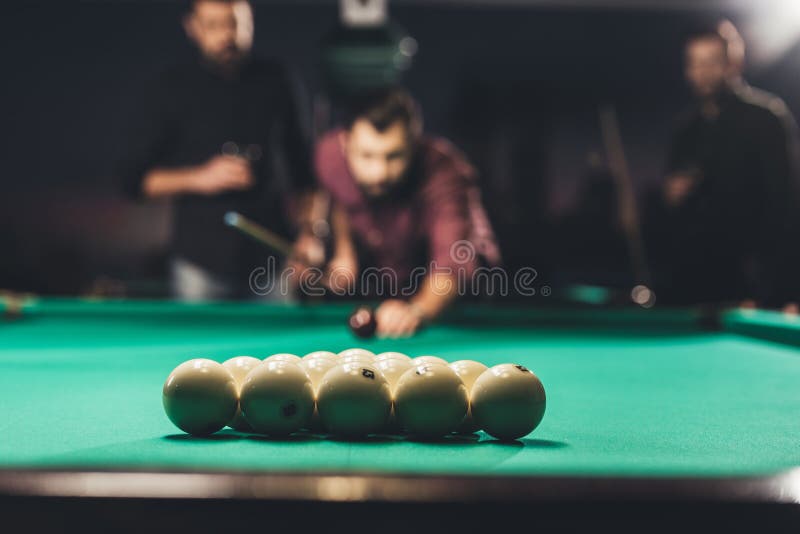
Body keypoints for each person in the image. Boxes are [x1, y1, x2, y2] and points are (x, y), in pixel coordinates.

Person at [117, 0, 315, 300]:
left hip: (271, 263)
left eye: (235, 23)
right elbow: (133, 181)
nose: (227, 35)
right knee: (199, 348)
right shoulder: (172, 87)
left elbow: (306, 175)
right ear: (193, 27)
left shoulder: (278, 80)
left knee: (279, 347)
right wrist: (199, 178)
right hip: (199, 265)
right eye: (213, 25)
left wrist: (310, 234)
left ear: (250, 21)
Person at [307, 88, 500, 338]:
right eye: (367, 155)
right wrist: (345, 252)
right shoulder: (329, 156)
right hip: (384, 289)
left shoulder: (445, 172)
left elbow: (452, 262)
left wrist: (418, 310)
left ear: (414, 142)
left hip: (456, 304)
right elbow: (340, 196)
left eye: (394, 156)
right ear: (346, 144)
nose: (380, 173)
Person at [646, 26, 800, 308]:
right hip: (694, 284)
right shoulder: (686, 130)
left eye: (710, 62)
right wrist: (670, 197)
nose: (701, 72)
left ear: (733, 64)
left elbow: (786, 208)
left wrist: (787, 290)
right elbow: (676, 215)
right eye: (694, 63)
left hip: (752, 286)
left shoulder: (766, 118)